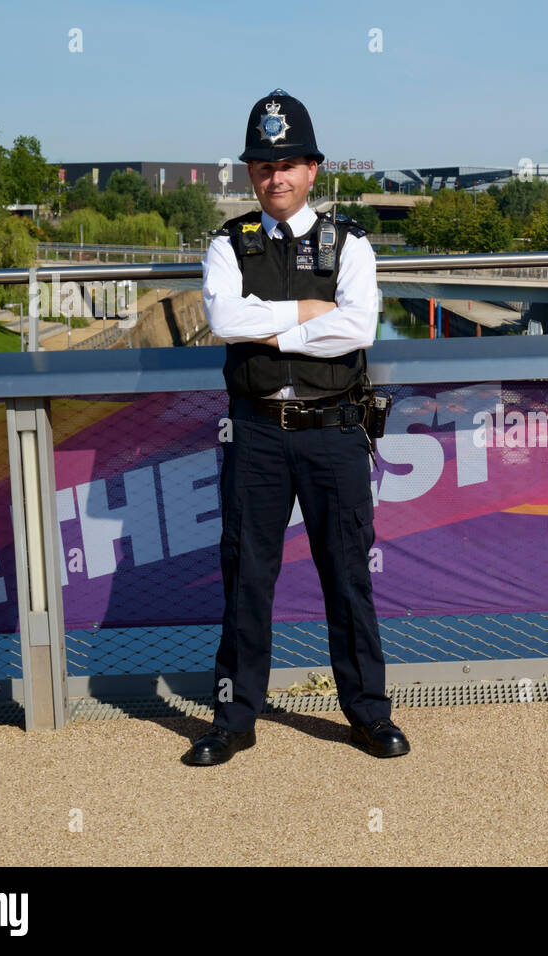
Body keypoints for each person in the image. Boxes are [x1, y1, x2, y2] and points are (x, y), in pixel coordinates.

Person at [183, 89, 409, 764]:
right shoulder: (230, 244)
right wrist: (308, 312)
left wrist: (274, 328)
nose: (273, 176)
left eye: (286, 163)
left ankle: (369, 715)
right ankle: (233, 719)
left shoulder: (351, 244)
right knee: (247, 577)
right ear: (250, 174)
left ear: (313, 168)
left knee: (347, 577)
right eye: (261, 165)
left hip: (334, 430)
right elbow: (225, 320)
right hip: (254, 433)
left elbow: (355, 329)